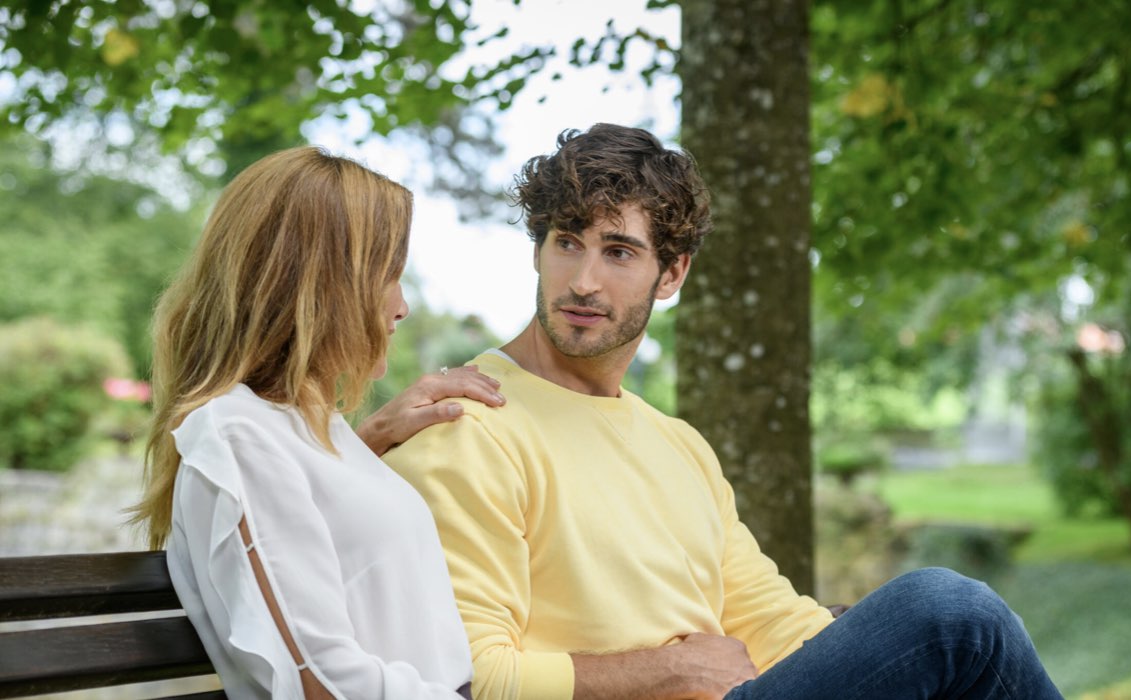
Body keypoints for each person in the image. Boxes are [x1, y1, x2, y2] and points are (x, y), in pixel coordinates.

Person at [383, 124, 1064, 699]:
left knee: (938, 633)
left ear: (672, 273)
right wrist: (665, 667)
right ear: (539, 248)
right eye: (567, 242)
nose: (583, 280)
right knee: (949, 614)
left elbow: (770, 621)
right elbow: (465, 676)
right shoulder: (467, 422)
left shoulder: (678, 446)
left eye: (618, 251)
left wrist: (878, 643)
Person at [131, 146, 507, 699]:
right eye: (389, 277)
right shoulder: (236, 436)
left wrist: (369, 439)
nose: (401, 307)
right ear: (322, 283)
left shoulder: (295, 429)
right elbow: (323, 681)